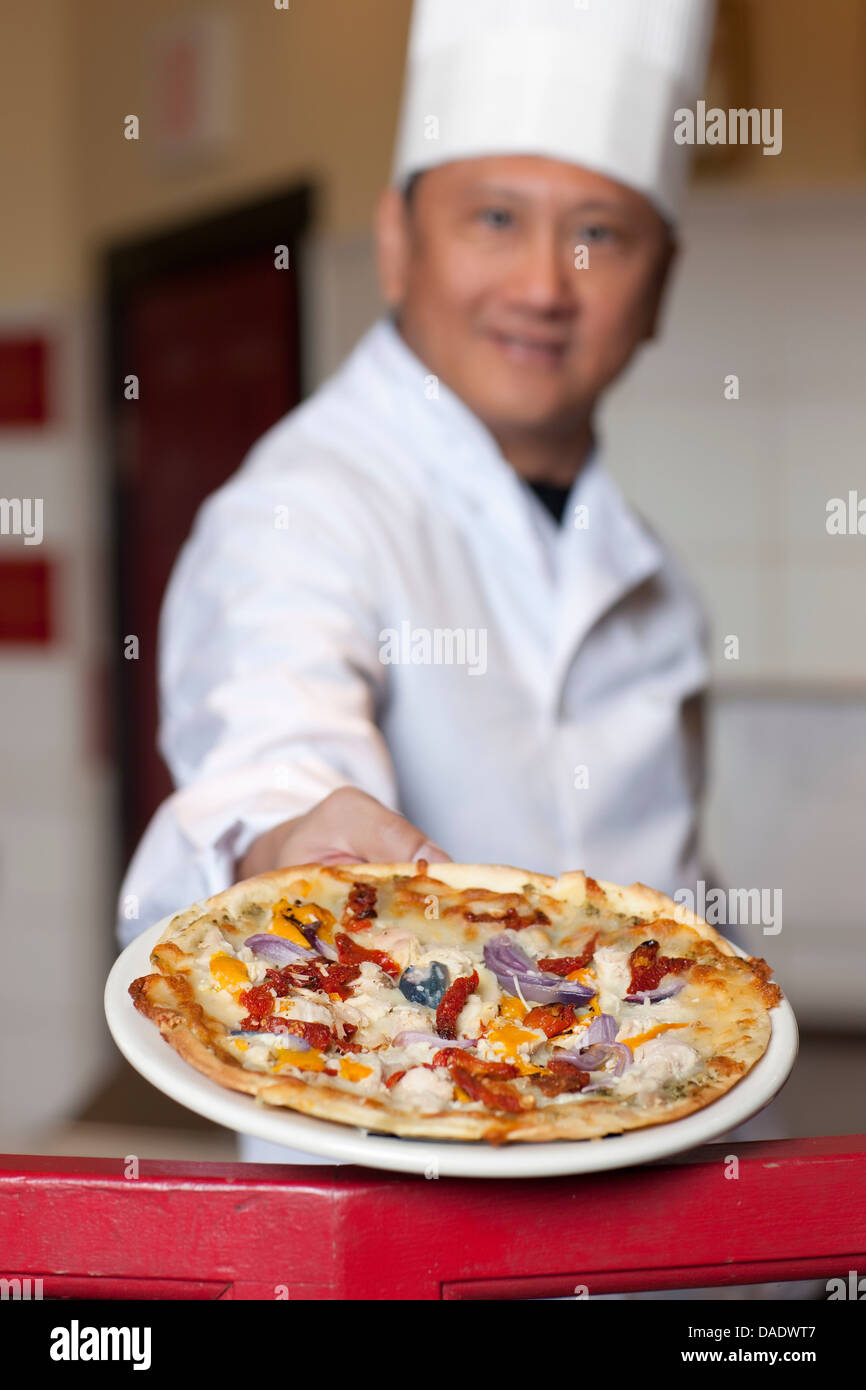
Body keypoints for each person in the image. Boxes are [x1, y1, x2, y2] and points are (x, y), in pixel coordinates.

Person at [118, 0, 751, 1172]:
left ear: (658, 286)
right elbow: (267, 738)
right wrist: (287, 842)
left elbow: (672, 909)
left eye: (599, 235)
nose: (542, 285)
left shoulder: (649, 575)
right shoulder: (300, 507)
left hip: (661, 1224)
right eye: (495, 218)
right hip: (381, 1216)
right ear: (398, 240)